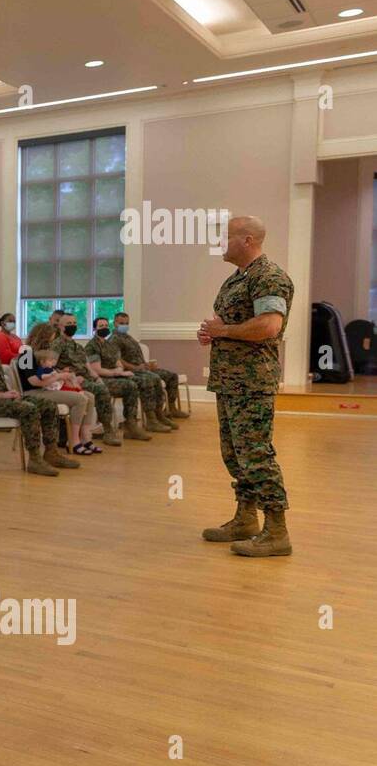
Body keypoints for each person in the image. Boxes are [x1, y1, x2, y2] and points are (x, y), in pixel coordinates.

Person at [198, 215, 294, 557]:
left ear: (247, 240)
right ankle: (245, 518)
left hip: (252, 381)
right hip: (229, 380)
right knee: (234, 454)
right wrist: (213, 331)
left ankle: (277, 530)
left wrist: (223, 331)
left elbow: (268, 326)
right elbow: (234, 324)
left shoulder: (269, 277)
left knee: (256, 453)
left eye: (225, 236)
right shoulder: (236, 280)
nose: (220, 242)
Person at [0, 312, 77, 477]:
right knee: (28, 409)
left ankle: (51, 452)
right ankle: (35, 459)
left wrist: (8, 393)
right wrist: (2, 395)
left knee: (49, 406)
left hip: (2, 398)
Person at [52, 311, 132, 446]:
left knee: (101, 387)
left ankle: (93, 432)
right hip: (73, 382)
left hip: (86, 378)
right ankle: (107, 431)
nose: (72, 326)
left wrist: (97, 378)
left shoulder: (77, 346)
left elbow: (88, 366)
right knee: (101, 391)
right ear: (60, 326)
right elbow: (51, 366)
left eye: (74, 323)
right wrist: (69, 377)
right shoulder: (58, 344)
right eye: (69, 324)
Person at [24, 322, 99, 456]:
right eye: (50, 340)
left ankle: (85, 437)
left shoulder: (43, 354)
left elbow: (49, 371)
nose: (51, 344)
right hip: (35, 391)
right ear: (42, 338)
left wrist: (64, 375)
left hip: (48, 388)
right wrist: (60, 376)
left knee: (90, 396)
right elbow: (34, 381)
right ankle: (74, 441)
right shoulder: (27, 354)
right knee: (80, 399)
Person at [85, 316, 167, 434]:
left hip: (115, 374)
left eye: (106, 326)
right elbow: (96, 370)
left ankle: (144, 419)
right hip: (103, 378)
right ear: (94, 329)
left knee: (146, 379)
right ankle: (132, 423)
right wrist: (116, 372)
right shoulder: (92, 346)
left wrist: (120, 370)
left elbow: (118, 362)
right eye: (101, 326)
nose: (104, 328)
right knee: (131, 385)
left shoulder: (108, 345)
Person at [110, 312, 189, 420]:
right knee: (151, 379)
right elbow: (118, 360)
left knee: (172, 376)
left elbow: (136, 355)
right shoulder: (114, 339)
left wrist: (147, 364)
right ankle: (153, 417)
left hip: (143, 368)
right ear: (115, 323)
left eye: (127, 323)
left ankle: (171, 409)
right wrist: (135, 368)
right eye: (121, 323)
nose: (125, 325)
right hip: (132, 371)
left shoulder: (128, 337)